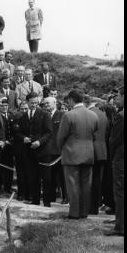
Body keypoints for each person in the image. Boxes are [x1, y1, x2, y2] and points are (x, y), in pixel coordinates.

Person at [57, 90, 98, 219]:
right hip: (88, 153)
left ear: (71, 100)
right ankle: (84, 212)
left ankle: (74, 213)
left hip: (71, 154)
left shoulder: (68, 115)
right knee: (86, 185)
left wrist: (61, 149)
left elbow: (60, 137)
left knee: (73, 185)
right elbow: (95, 134)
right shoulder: (93, 115)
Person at [19, 92, 54, 206]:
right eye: (31, 103)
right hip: (29, 151)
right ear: (27, 102)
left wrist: (39, 142)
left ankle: (47, 202)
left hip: (43, 151)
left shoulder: (45, 114)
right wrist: (23, 138)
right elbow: (18, 132)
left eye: (36, 102)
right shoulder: (23, 116)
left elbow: (49, 132)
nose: (34, 105)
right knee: (33, 176)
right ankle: (35, 200)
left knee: (46, 178)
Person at [39, 97, 64, 206]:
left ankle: (65, 198)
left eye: (48, 103)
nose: (46, 105)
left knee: (60, 176)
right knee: (48, 177)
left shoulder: (62, 115)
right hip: (46, 150)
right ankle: (48, 199)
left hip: (59, 151)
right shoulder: (42, 115)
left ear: (55, 103)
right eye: (44, 104)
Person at [88, 96, 110, 215]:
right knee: (97, 181)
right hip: (102, 151)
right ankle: (95, 206)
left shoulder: (89, 114)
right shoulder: (103, 114)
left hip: (91, 151)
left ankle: (90, 207)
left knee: (89, 181)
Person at [106, 87, 124, 236]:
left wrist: (112, 157)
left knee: (120, 192)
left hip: (121, 159)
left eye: (118, 96)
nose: (117, 98)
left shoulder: (121, 116)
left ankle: (120, 227)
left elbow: (114, 140)